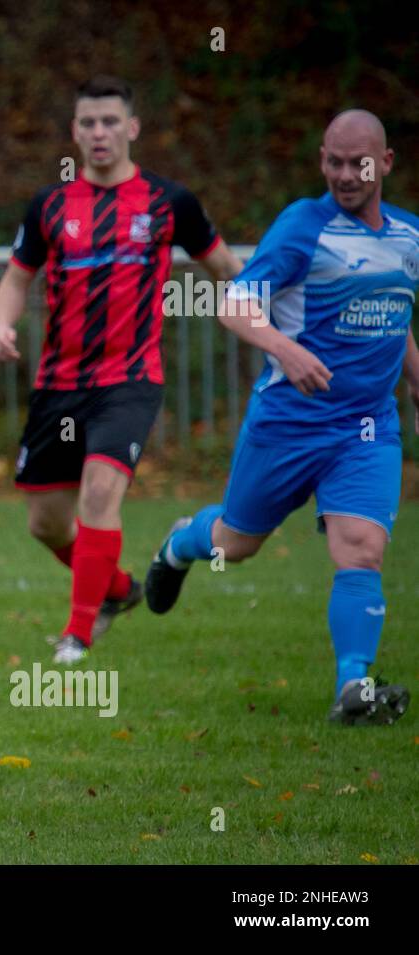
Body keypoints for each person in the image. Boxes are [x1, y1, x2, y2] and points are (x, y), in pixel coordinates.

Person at [145, 109, 417, 725]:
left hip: (366, 427)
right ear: (322, 160)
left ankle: (354, 689)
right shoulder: (303, 226)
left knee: (362, 549)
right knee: (236, 543)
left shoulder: (409, 236)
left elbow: (394, 315)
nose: (346, 175)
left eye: (360, 163)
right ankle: (180, 544)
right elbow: (233, 304)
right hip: (288, 424)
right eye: (334, 162)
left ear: (386, 162)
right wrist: (286, 348)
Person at [0, 75, 244, 665]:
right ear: (74, 133)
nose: (99, 133)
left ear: (132, 128)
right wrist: (0, 325)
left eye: (110, 121)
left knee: (100, 494)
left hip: (128, 381)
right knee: (46, 523)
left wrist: (268, 311)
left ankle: (77, 634)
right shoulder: (50, 205)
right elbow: (15, 279)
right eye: (88, 123)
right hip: (58, 384)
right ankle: (120, 589)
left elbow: (225, 266)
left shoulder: (168, 202)